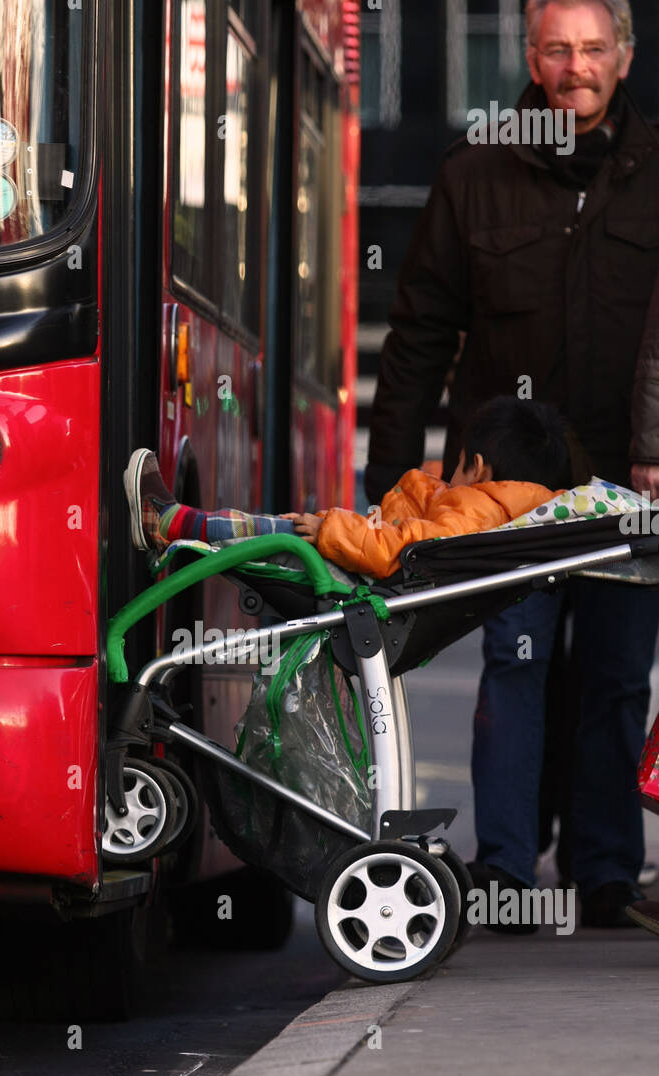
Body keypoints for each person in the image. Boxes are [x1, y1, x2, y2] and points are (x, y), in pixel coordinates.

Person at [365, 0, 659, 930]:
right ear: (531, 57)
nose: (576, 67)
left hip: (629, 481)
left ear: (625, 55)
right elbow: (418, 337)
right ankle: (505, 874)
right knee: (517, 662)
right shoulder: (475, 171)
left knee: (617, 677)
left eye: (593, 49)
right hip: (502, 488)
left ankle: (606, 874)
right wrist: (391, 485)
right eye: (558, 49)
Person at [126, 397, 570, 575]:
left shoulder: (476, 510)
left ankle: (170, 524)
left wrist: (331, 533)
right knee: (264, 531)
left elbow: (409, 547)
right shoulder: (494, 507)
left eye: (456, 464)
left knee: (261, 534)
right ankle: (178, 529)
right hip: (349, 557)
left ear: (477, 467)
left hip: (349, 571)